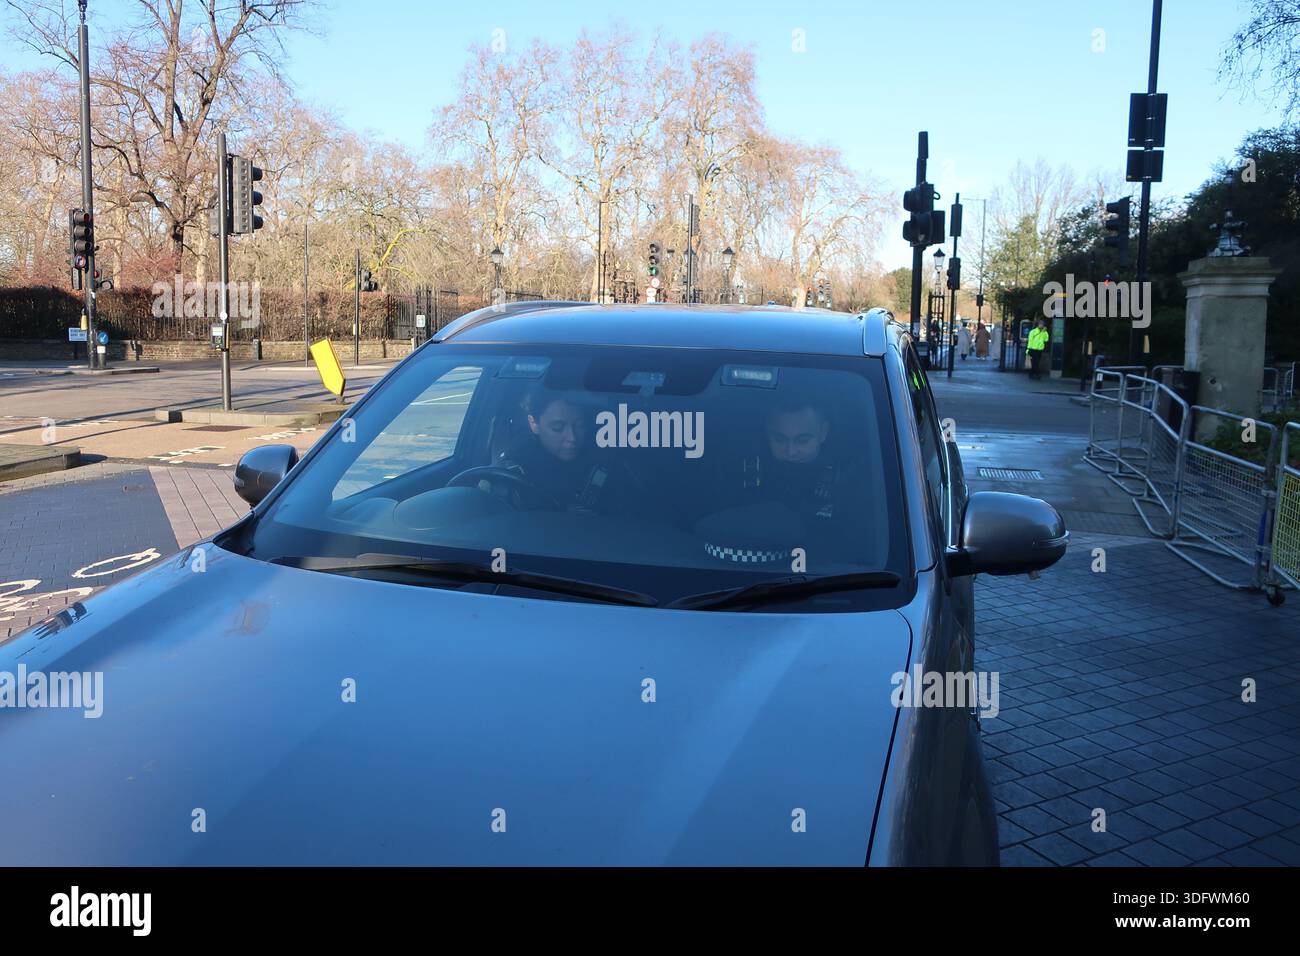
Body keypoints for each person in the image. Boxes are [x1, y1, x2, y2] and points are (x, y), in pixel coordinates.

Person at [494, 390, 627, 512]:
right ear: (534, 424)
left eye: (580, 425)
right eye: (558, 427)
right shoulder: (513, 468)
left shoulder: (606, 459)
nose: (572, 438)